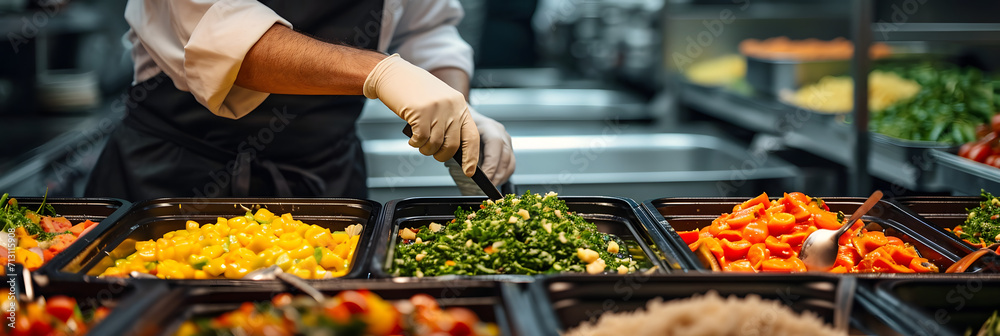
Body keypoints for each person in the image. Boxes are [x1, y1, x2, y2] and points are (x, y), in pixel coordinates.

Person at [85, 0, 516, 200]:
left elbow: (428, 30)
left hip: (327, 184)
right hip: (173, 182)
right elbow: (222, 36)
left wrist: (455, 107)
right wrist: (381, 72)